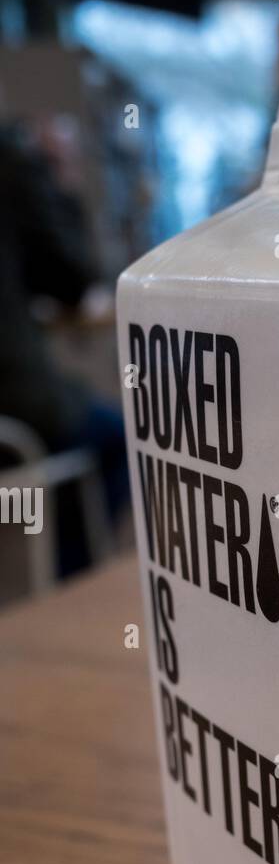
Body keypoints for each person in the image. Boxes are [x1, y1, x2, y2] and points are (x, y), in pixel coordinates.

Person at [0, 118, 129, 572]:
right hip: (17, 409)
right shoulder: (11, 159)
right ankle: (68, 579)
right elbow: (70, 277)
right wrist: (62, 182)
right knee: (117, 439)